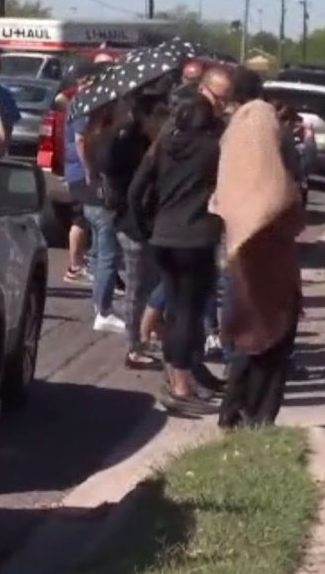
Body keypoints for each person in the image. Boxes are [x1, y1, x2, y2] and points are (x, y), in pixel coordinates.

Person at [131, 67, 230, 416]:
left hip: (163, 236)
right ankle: (182, 386)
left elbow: (136, 190)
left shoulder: (163, 145)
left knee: (175, 311)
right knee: (188, 314)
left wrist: (145, 229)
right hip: (196, 238)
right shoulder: (213, 150)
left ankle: (176, 379)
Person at [211, 69, 306, 429]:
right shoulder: (268, 122)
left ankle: (233, 411)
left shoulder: (232, 128)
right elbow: (289, 176)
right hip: (270, 240)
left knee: (245, 330)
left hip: (236, 239)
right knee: (274, 333)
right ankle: (259, 415)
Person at [98, 88, 171, 370]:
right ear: (145, 116)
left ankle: (147, 334)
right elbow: (132, 189)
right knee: (137, 288)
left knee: (150, 285)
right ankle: (134, 347)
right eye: (160, 116)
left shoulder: (143, 140)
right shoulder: (127, 143)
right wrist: (140, 224)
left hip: (146, 223)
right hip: (133, 224)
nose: (164, 121)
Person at [78, 101, 127, 335]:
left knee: (99, 255)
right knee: (108, 256)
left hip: (90, 198)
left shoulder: (90, 137)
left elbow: (91, 169)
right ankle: (103, 311)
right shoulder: (110, 140)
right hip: (104, 202)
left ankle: (99, 305)